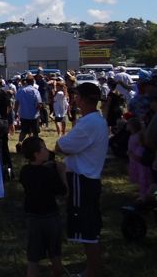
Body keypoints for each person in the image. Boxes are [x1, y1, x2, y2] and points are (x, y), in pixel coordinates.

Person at [55, 82, 109, 277]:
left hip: (82, 178)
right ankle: (93, 267)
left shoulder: (88, 124)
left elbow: (63, 146)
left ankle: (92, 270)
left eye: (77, 96)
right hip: (89, 177)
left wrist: (61, 143)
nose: (74, 99)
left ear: (85, 99)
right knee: (90, 226)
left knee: (86, 228)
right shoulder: (95, 120)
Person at [18, 136, 67, 277]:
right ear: (36, 154)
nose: (47, 151)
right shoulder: (49, 173)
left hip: (32, 217)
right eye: (44, 148)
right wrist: (62, 173)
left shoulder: (24, 171)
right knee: (55, 255)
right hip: (50, 217)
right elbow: (64, 192)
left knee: (33, 258)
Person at [15, 75, 43, 151]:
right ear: (33, 82)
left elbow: (16, 103)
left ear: (26, 82)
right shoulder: (35, 91)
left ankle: (20, 143)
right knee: (35, 132)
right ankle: (35, 146)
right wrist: (37, 109)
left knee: (23, 131)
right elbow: (39, 104)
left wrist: (15, 113)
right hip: (34, 115)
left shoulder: (20, 90)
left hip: (23, 115)